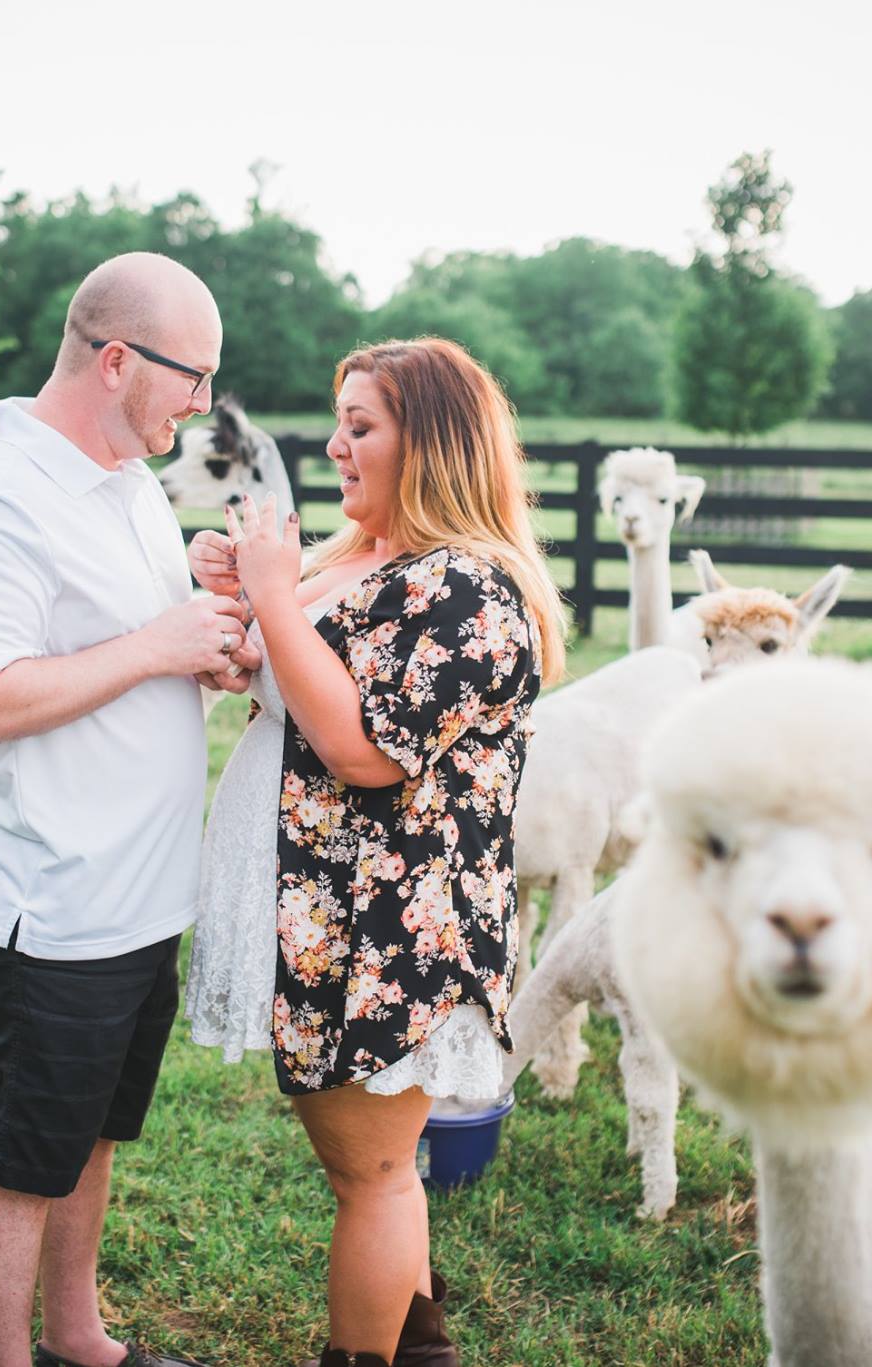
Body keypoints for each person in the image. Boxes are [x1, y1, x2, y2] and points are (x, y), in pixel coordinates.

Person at [185, 338, 566, 1367]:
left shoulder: (468, 590)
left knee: (374, 1175)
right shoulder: (356, 557)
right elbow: (275, 679)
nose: (335, 444)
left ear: (433, 445)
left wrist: (272, 598)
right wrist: (234, 585)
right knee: (376, 1166)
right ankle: (419, 1347)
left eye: (362, 425)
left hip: (390, 930)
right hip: (322, 912)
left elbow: (361, 749)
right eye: (338, 420)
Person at [0, 251, 257, 1367]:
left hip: (134, 896)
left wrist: (192, 631)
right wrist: (155, 644)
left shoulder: (123, 480)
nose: (204, 404)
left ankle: (77, 1337)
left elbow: (118, 652)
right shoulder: (0, 497)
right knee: (23, 1161)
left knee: (92, 1136)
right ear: (116, 360)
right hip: (51, 901)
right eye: (192, 377)